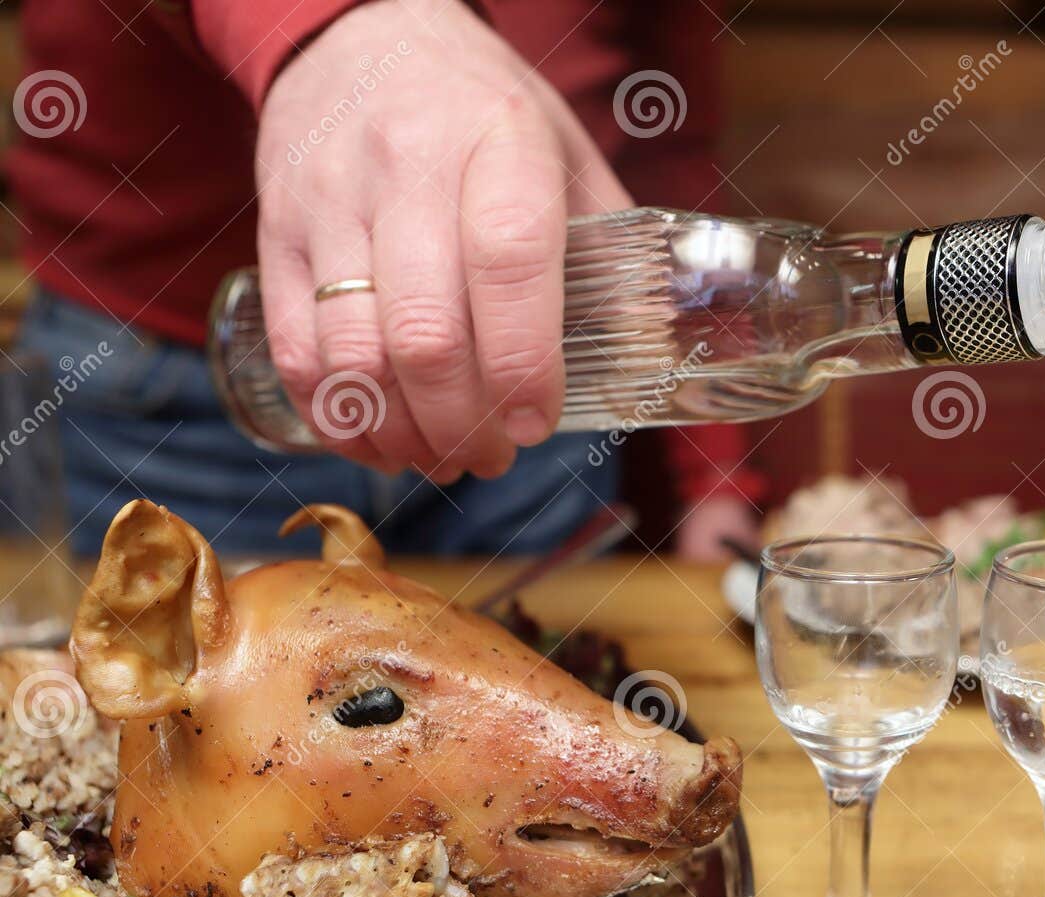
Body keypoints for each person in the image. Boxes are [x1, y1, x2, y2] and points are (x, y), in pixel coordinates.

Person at [7, 0, 763, 559]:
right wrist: (353, 29)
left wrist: (714, 471)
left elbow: (664, 141)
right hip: (169, 406)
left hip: (541, 393)